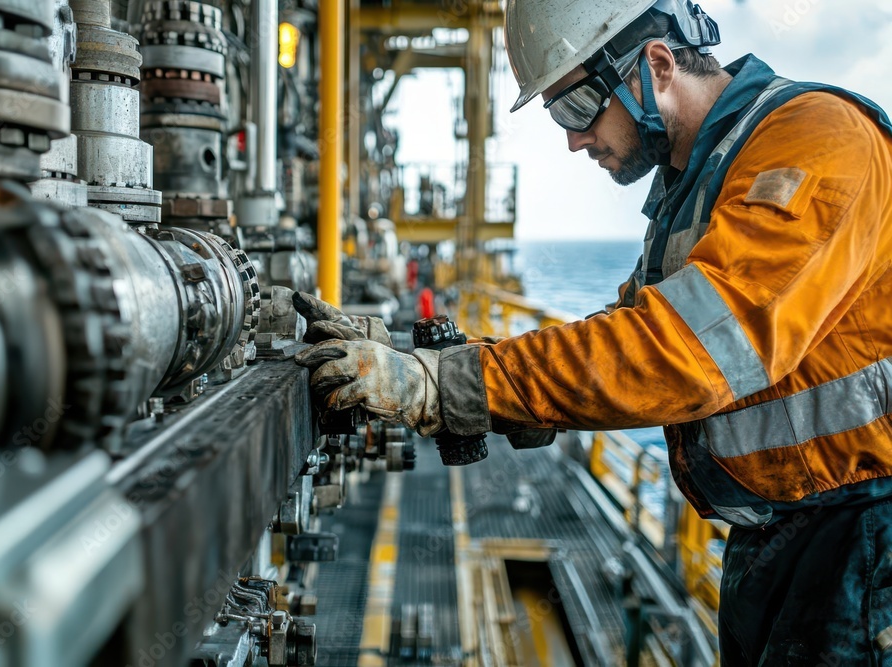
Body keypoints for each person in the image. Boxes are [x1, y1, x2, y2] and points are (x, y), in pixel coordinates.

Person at [294, 0, 892, 663]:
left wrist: (445, 386)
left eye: (578, 109)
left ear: (657, 65)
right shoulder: (703, 182)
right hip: (786, 539)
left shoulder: (820, 141)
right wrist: (426, 361)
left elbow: (679, 353)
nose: (574, 140)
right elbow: (618, 339)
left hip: (866, 544)